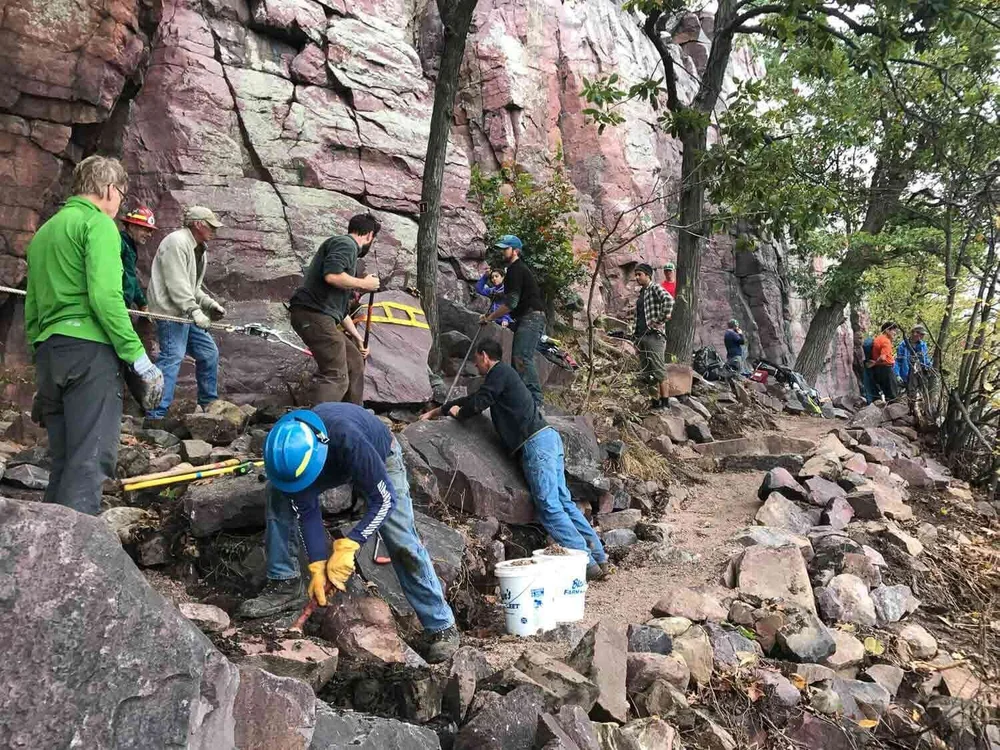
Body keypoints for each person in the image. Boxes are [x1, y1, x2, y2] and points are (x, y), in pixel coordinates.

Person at [240, 403, 460, 663]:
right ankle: (284, 581)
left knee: (401, 539)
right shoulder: (284, 446)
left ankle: (440, 624)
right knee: (278, 493)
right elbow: (307, 512)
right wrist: (318, 565)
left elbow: (384, 500)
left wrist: (350, 544)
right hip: (327, 462)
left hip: (378, 457)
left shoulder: (348, 439)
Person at [25, 155, 163, 515]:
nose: (119, 203)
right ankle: (75, 546)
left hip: (50, 353)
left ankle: (45, 541)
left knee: (63, 462)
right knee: (89, 461)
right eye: (121, 194)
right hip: (90, 355)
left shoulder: (46, 232)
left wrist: (40, 361)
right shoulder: (99, 224)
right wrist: (137, 356)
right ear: (109, 189)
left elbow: (32, 307)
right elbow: (105, 297)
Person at [420, 339, 609, 580]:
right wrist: (439, 411)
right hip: (548, 439)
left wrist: (461, 414)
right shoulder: (503, 377)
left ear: (484, 356)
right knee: (563, 502)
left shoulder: (500, 373)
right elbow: (476, 397)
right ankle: (598, 556)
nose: (476, 366)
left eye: (477, 360)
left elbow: (478, 403)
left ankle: (586, 563)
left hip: (536, 444)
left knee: (549, 506)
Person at [288, 215, 381, 406]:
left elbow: (339, 311)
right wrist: (364, 284)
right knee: (336, 376)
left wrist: (357, 338)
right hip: (313, 314)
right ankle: (314, 422)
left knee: (354, 361)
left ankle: (353, 416)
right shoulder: (346, 244)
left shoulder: (346, 249)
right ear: (370, 235)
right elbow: (332, 276)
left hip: (320, 316)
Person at [146, 206, 227, 419]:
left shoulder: (199, 249)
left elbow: (193, 288)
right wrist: (195, 310)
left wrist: (209, 305)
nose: (214, 230)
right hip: (170, 313)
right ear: (198, 224)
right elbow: (177, 285)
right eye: (211, 226)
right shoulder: (177, 242)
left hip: (186, 313)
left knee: (208, 353)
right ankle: (155, 414)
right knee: (172, 357)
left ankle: (208, 403)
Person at [480, 235, 546, 407]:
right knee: (518, 359)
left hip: (531, 317)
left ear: (515, 251)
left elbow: (511, 303)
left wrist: (489, 318)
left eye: (505, 248)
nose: (502, 252)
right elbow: (513, 295)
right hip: (527, 317)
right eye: (502, 248)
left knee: (522, 357)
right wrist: (499, 295)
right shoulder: (514, 270)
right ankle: (524, 400)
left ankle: (536, 402)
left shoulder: (516, 270)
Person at [633, 263, 674, 410]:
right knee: (647, 372)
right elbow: (638, 317)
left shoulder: (654, 288)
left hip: (654, 336)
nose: (637, 277)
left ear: (648, 275)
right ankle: (655, 402)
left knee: (658, 369)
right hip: (641, 336)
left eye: (639, 274)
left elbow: (669, 300)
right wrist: (635, 337)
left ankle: (665, 403)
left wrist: (660, 319)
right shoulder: (641, 293)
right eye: (636, 275)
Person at [870, 321, 900, 402]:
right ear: (887, 330)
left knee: (885, 393)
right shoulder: (886, 341)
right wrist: (875, 362)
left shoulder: (878, 339)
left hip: (878, 370)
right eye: (894, 331)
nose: (895, 333)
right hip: (886, 369)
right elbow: (883, 358)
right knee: (892, 395)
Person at [860, 335, 877, 404]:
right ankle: (872, 400)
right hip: (869, 364)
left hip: (868, 363)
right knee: (870, 383)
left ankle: (870, 401)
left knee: (869, 384)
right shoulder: (868, 343)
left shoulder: (868, 343)